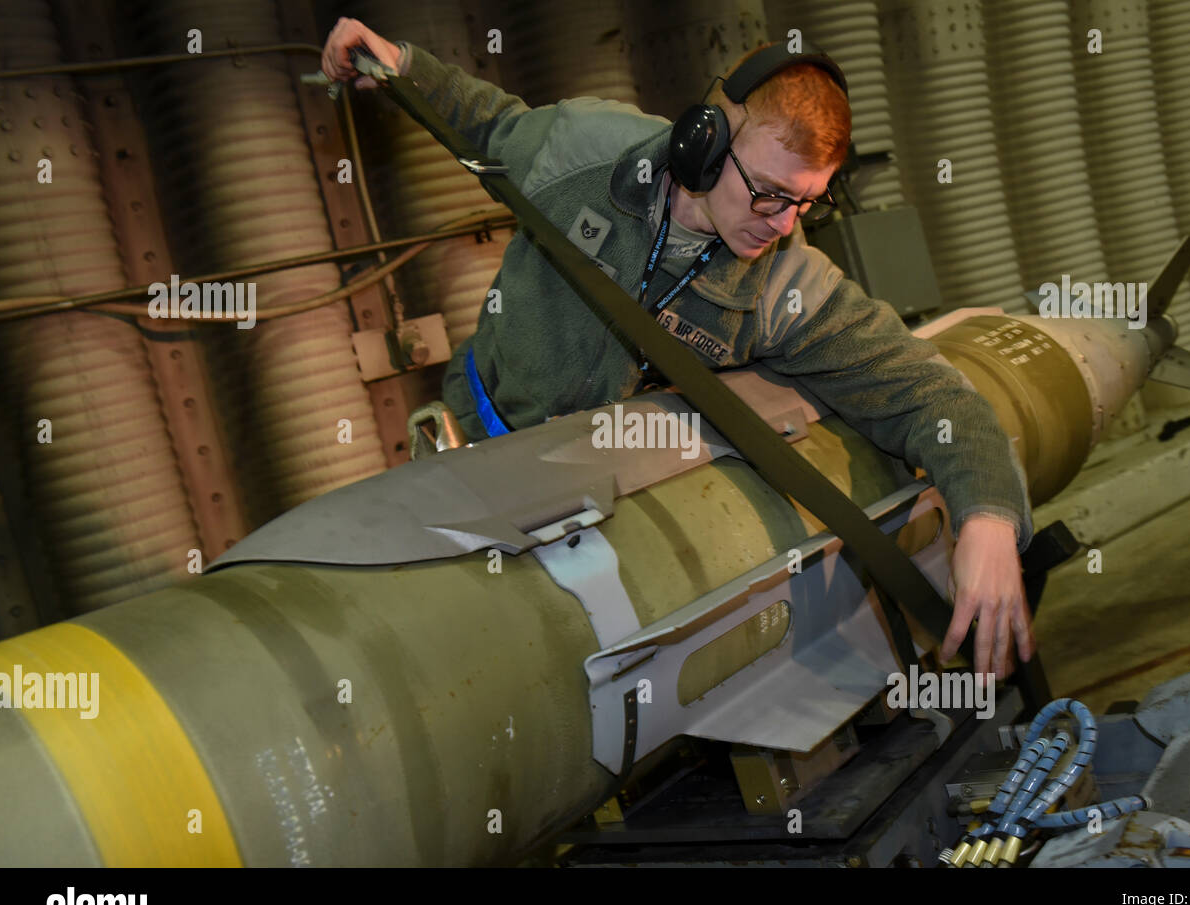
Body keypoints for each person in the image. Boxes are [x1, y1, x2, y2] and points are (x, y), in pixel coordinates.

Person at [321, 17, 1036, 679]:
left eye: (807, 202)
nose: (783, 225)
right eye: (770, 194)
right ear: (706, 144)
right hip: (468, 443)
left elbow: (928, 392)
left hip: (580, 509)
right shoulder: (580, 155)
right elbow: (487, 122)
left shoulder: (785, 288)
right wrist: (398, 67)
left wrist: (988, 517)